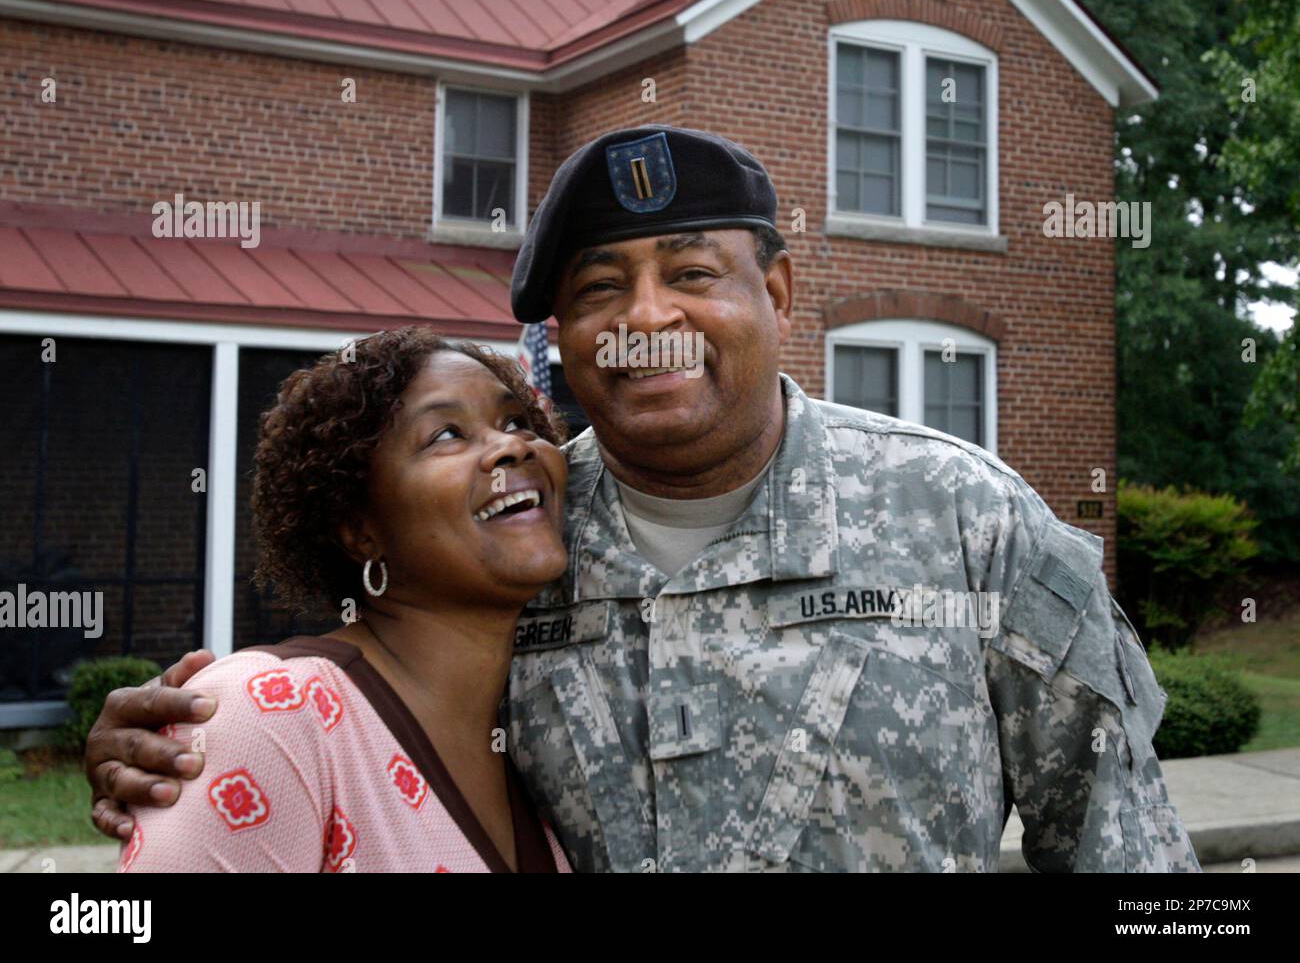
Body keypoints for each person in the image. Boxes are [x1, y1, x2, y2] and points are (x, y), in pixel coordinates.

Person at [86, 125, 1198, 873]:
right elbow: (352, 725)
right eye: (602, 288)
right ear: (560, 336)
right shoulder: (514, 551)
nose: (647, 317)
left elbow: (1126, 849)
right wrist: (183, 745)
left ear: (774, 290)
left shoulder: (967, 521)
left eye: (693, 273)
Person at [114, 329, 572, 872]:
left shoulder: (540, 741)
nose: (512, 445)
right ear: (360, 530)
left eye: (517, 421)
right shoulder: (268, 714)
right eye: (447, 434)